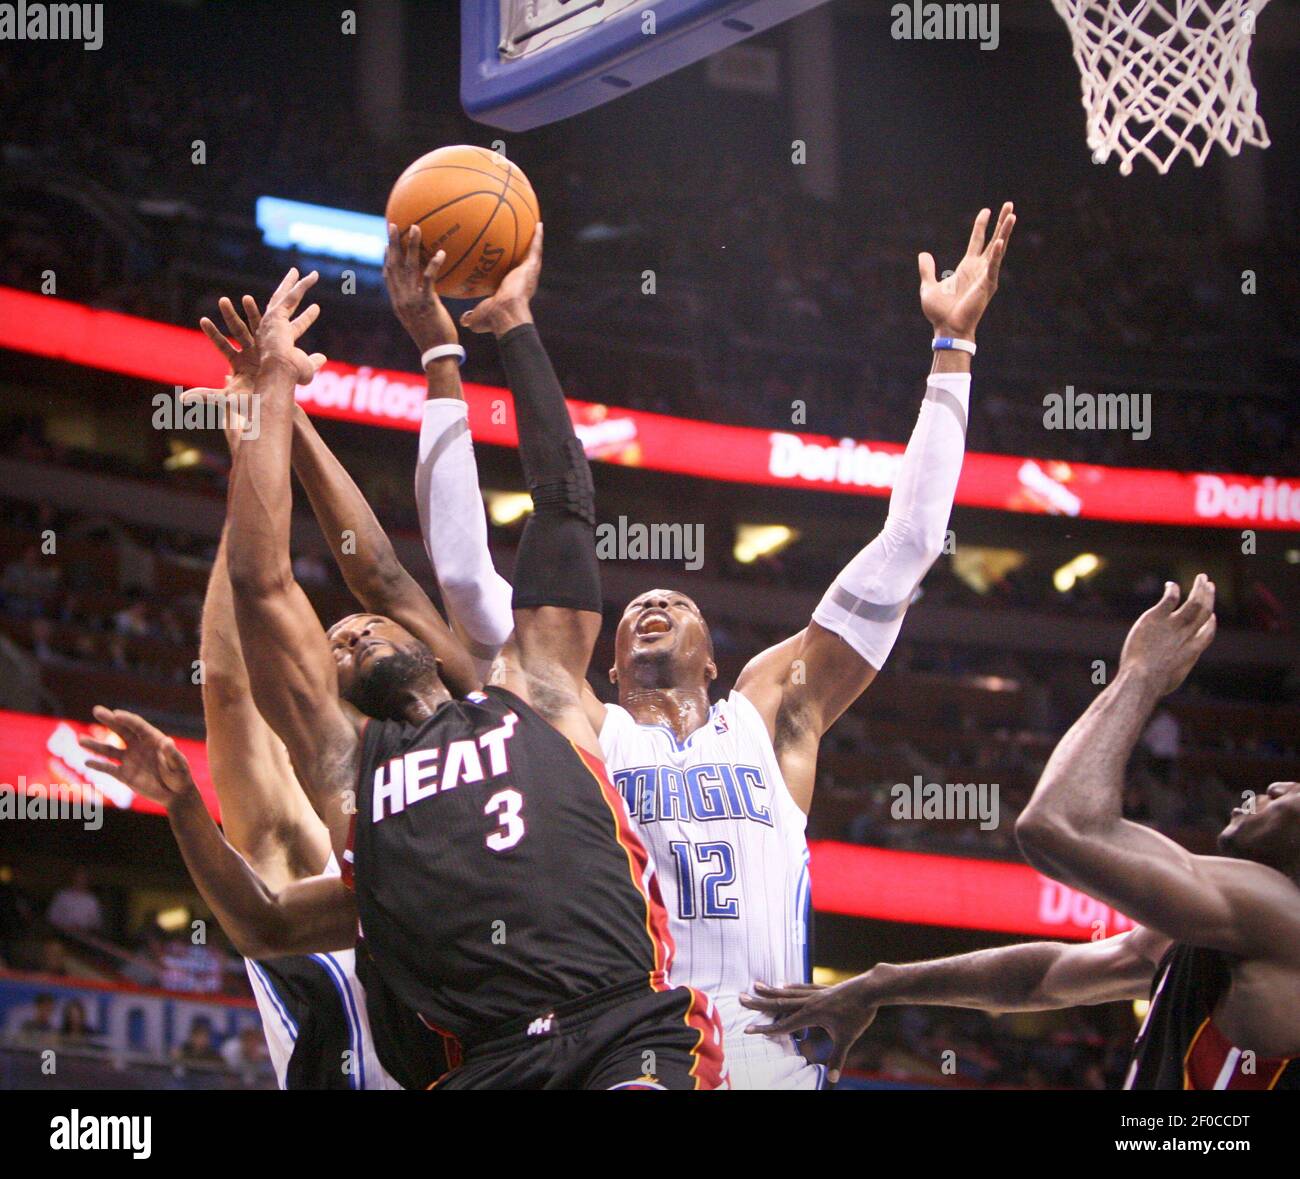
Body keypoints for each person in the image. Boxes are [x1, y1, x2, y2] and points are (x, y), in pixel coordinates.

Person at [83, 250, 725, 1090]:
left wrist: (509, 332)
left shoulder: (530, 692)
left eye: (362, 626)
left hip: (623, 1028)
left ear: (419, 636)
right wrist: (266, 406)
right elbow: (260, 583)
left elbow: (543, 508)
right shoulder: (350, 770)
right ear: (335, 694)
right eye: (337, 642)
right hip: (485, 1062)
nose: (348, 636)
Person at [415, 204, 1015, 1087]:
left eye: (676, 598)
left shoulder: (771, 711)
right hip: (634, 1040)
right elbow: (466, 575)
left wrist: (952, 353)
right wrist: (447, 357)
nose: (652, 597)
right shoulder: (586, 725)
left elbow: (911, 544)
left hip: (774, 1040)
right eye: (636, 605)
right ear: (608, 668)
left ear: (714, 661)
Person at [743, 578, 1300, 1090]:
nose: (1276, 784)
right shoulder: (1225, 930)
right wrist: (879, 984)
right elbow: (1045, 977)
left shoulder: (1278, 911)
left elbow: (1059, 826)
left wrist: (1140, 675)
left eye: (1297, 788)